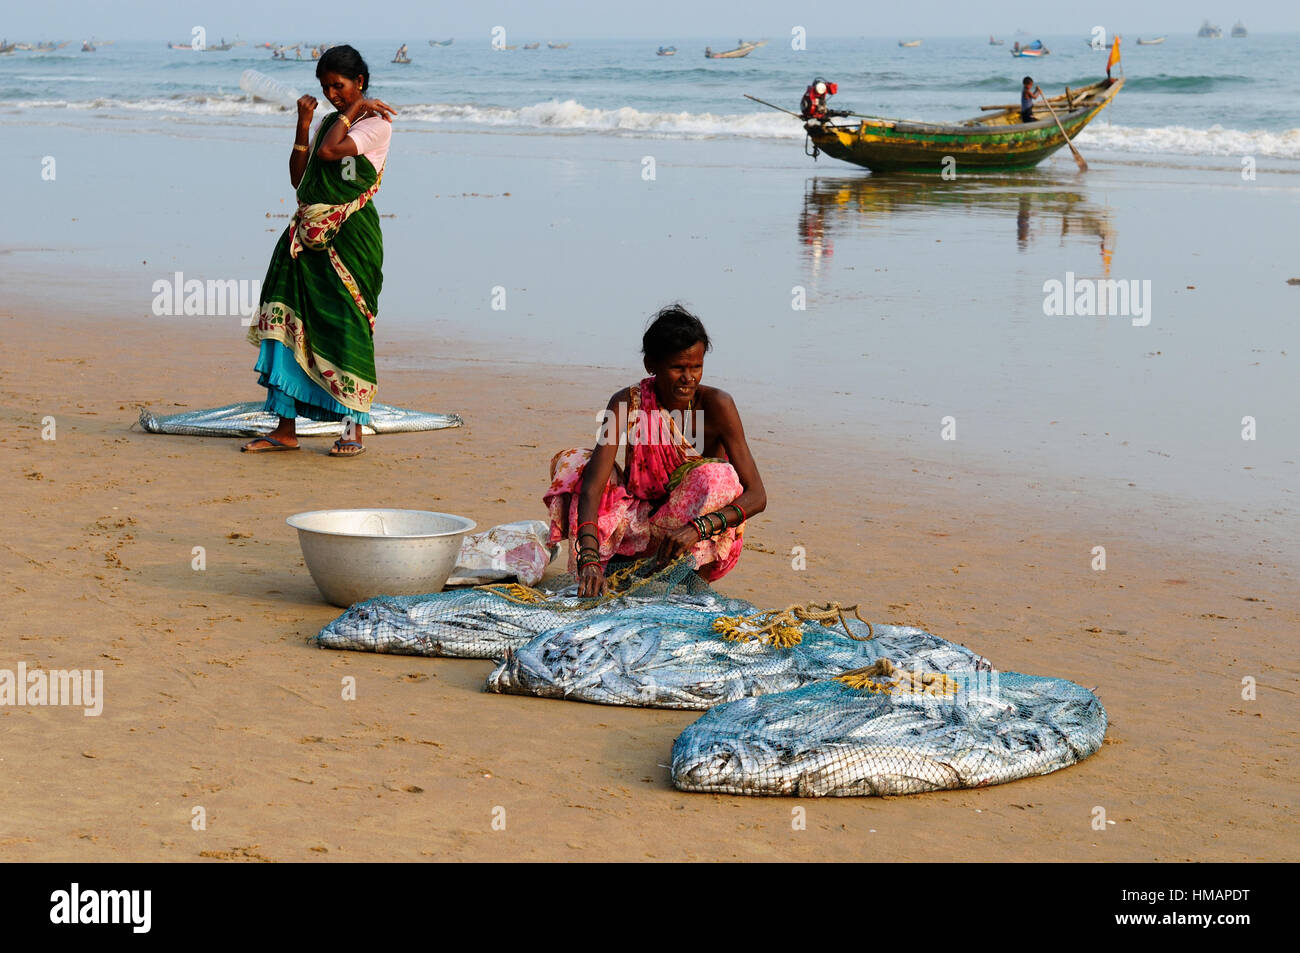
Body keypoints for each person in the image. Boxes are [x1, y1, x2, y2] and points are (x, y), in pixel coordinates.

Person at [544, 305, 767, 597]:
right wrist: (589, 558)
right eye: (677, 368)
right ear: (652, 365)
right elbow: (593, 486)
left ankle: (688, 579)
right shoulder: (625, 402)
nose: (688, 377)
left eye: (696, 367)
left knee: (720, 475)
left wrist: (696, 529)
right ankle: (610, 567)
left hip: (688, 536)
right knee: (576, 465)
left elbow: (757, 495)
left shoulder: (717, 405)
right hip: (639, 524)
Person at [242, 45, 396, 456]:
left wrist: (355, 110)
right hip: (306, 235)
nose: (333, 94)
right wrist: (302, 123)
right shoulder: (330, 121)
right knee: (288, 320)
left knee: (346, 323)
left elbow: (331, 152)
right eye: (327, 87)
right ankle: (285, 428)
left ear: (359, 82)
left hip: (350, 236)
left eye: (340, 86)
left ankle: (353, 428)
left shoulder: (377, 124)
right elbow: (300, 179)